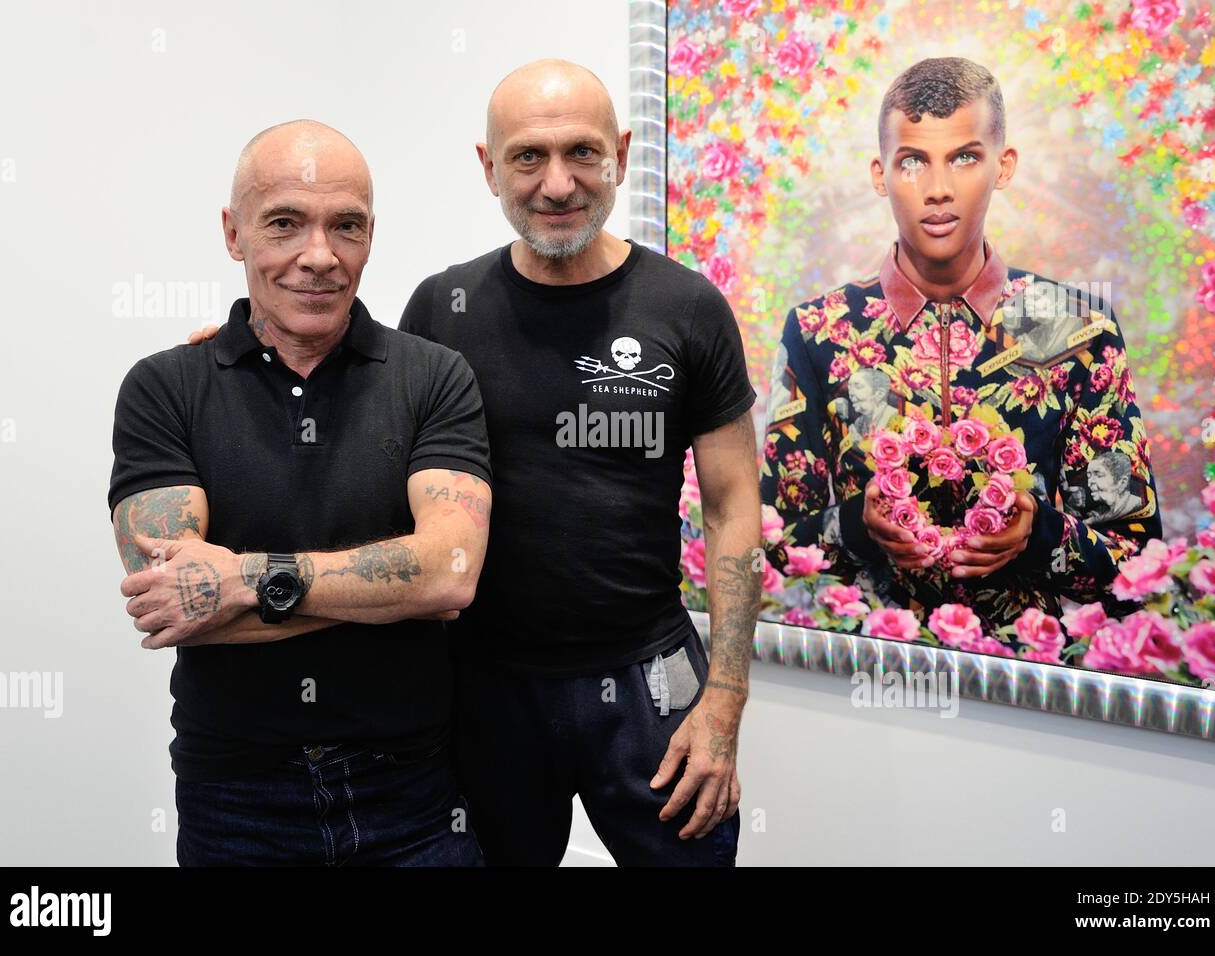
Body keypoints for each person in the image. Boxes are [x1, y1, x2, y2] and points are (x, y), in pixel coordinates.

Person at [188, 61, 761, 867]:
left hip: (649, 687)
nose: (557, 183)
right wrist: (239, 345)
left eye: (582, 153)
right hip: (484, 693)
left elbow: (734, 509)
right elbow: (333, 352)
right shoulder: (441, 307)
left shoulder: (688, 307)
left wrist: (726, 701)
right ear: (489, 168)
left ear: (622, 156)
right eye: (528, 157)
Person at [110, 120, 493, 866]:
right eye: (284, 224)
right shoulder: (164, 388)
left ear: (371, 236)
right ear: (234, 233)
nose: (319, 256)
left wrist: (242, 579)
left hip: (413, 793)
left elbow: (451, 576)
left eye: (345, 226)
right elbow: (176, 606)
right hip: (237, 799)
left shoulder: (434, 377)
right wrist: (388, 589)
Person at [761, 57, 1161, 632]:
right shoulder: (819, 330)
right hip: (860, 676)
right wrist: (857, 527)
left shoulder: (1078, 328)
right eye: (913, 161)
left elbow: (1138, 564)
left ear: (1004, 165)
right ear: (880, 174)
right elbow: (771, 549)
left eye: (965, 157)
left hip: (1025, 688)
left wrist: (1037, 533)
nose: (939, 189)